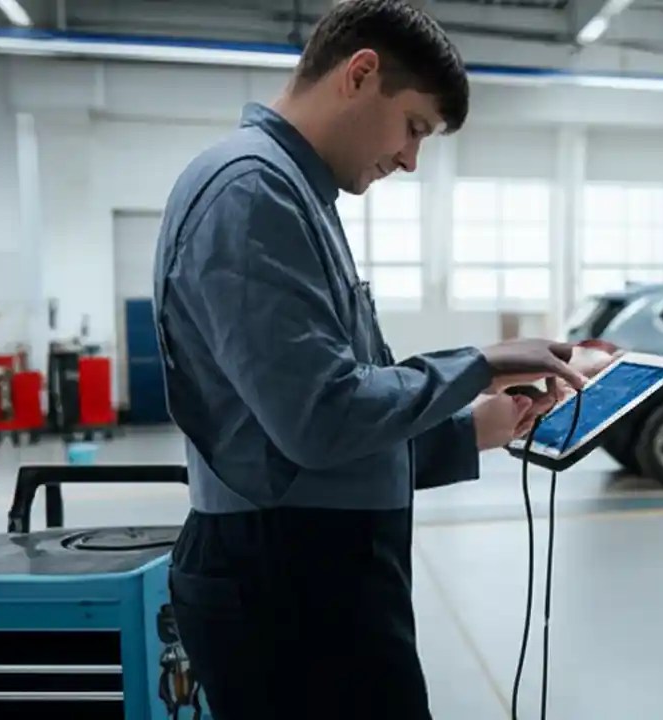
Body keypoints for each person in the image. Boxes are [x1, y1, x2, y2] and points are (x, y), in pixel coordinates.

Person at [151, 2, 606, 717]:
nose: (410, 158)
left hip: (312, 569)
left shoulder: (297, 193)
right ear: (361, 74)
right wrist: (479, 364)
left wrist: (474, 429)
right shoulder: (252, 192)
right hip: (290, 581)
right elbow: (319, 420)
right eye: (414, 127)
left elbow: (336, 417)